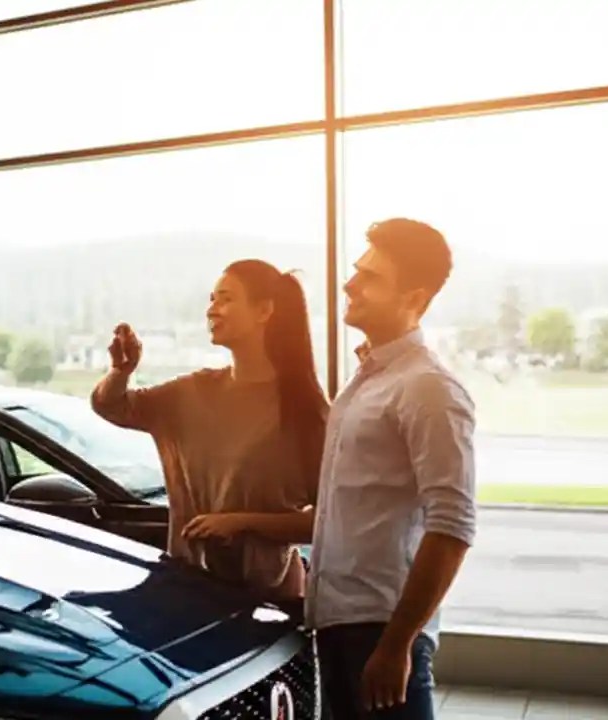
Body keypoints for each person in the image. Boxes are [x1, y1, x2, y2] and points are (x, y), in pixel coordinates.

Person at [306, 218, 476, 720]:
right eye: (357, 270)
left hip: (380, 629)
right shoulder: (368, 381)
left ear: (414, 299)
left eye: (370, 277)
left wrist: (397, 645)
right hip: (338, 622)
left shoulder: (428, 389)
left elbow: (453, 527)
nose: (349, 283)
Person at [91, 259, 328, 601]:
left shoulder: (306, 412)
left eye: (226, 299)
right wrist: (120, 371)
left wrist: (242, 522)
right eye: (212, 299)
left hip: (270, 601)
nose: (211, 310)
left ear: (264, 311)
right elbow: (110, 405)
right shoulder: (193, 391)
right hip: (189, 592)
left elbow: (327, 522)